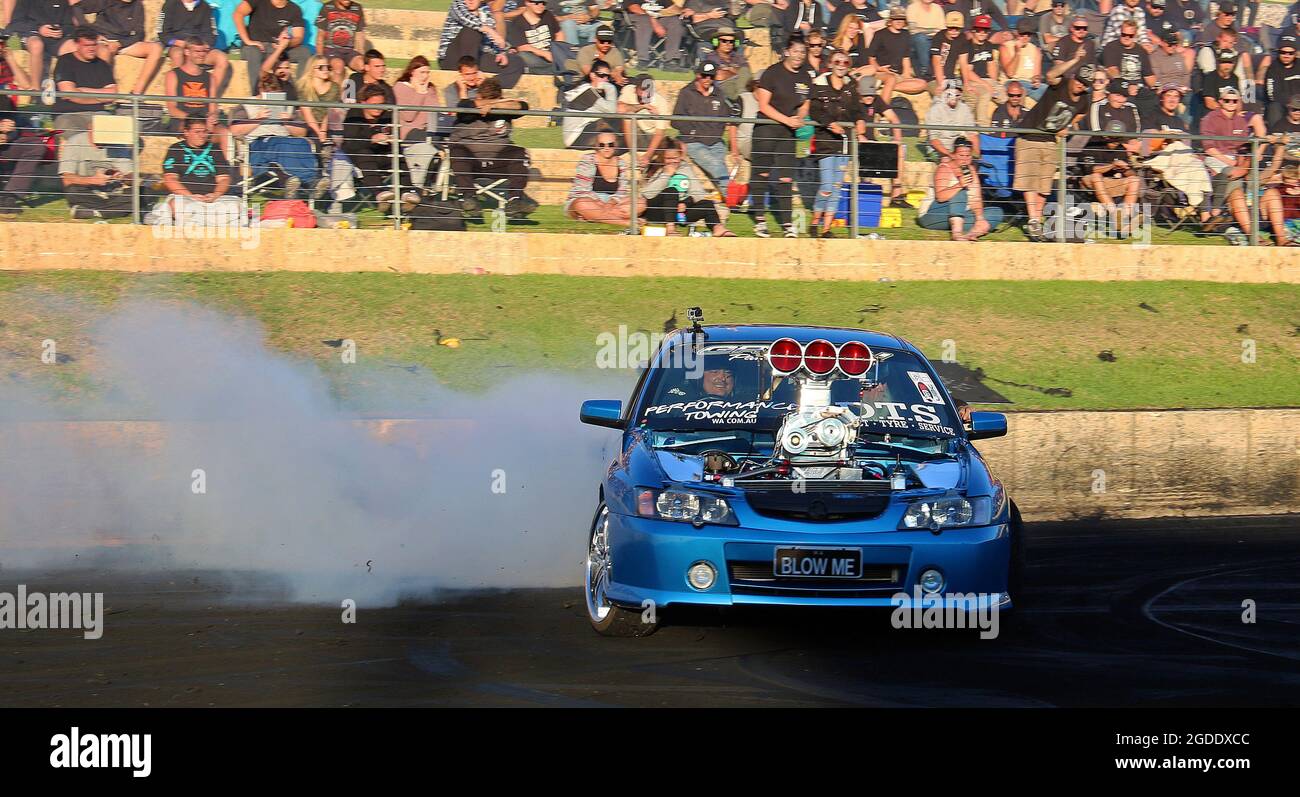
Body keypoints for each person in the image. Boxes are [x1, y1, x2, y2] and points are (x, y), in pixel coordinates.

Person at [1013, 56, 1095, 241]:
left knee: (1044, 185)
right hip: (1030, 135)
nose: (1080, 86)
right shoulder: (1061, 84)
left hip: (1050, 140)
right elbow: (1050, 74)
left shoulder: (1084, 100)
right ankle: (1034, 220)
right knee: (1030, 181)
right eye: (1079, 81)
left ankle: (1036, 220)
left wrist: (1068, 126)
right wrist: (1075, 59)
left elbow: (1082, 113)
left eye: (1085, 84)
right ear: (1074, 77)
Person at [448, 77, 537, 218]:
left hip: (497, 161)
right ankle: (469, 198)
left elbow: (524, 106)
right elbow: (465, 106)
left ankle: (515, 200)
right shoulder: (467, 106)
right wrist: (490, 103)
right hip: (471, 162)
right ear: (478, 95)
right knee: (458, 151)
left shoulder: (505, 108)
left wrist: (493, 105)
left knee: (520, 153)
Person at [751, 37, 812, 238]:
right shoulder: (772, 73)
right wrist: (787, 119)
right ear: (787, 51)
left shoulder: (805, 76)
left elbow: (804, 104)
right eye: (795, 51)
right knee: (762, 173)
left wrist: (800, 117)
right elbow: (763, 105)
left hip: (788, 132)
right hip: (767, 128)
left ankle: (787, 224)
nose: (799, 56)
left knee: (786, 177)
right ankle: (759, 220)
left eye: (803, 52)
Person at [1199, 84, 1266, 243]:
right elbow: (1209, 149)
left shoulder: (1240, 121)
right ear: (1220, 101)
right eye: (1227, 100)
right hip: (1216, 159)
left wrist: (1242, 163)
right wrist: (1232, 163)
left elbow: (1242, 148)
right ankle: (1249, 230)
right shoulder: (1209, 119)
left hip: (1235, 162)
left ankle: (1222, 215)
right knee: (1234, 176)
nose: (1231, 104)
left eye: (1234, 101)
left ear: (1238, 102)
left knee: (1240, 179)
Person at [809, 52, 867, 237]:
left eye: (845, 62)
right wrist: (829, 123)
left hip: (844, 144)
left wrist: (860, 120)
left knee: (836, 187)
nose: (841, 65)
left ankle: (826, 228)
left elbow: (857, 109)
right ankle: (815, 221)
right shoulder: (819, 84)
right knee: (826, 186)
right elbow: (815, 110)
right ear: (830, 64)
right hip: (826, 142)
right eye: (837, 61)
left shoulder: (851, 86)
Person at [340, 84, 419, 214]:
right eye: (374, 104)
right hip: (360, 155)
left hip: (383, 153)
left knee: (397, 155)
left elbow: (395, 136)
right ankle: (380, 193)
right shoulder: (353, 115)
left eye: (381, 104)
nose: (378, 108)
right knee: (365, 154)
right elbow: (351, 144)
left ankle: (407, 192)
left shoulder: (387, 115)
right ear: (363, 102)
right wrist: (372, 138)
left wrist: (391, 139)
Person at [1141, 82, 1212, 224]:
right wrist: (1164, 136)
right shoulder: (1152, 116)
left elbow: (1186, 148)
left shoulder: (1179, 122)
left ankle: (1204, 216)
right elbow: (1145, 146)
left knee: (1198, 166)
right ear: (1162, 98)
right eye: (1169, 95)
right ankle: (1200, 213)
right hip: (1159, 160)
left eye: (1176, 96)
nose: (1173, 99)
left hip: (1181, 161)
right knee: (1194, 168)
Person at [150, 117, 240, 226]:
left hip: (213, 200)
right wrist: (190, 196)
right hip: (187, 198)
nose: (202, 135)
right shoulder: (176, 149)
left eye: (205, 131)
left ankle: (200, 221)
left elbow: (224, 179)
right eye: (197, 132)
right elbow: (170, 179)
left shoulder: (215, 149)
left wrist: (216, 194)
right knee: (176, 206)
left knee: (236, 207)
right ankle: (206, 221)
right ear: (186, 132)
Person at [640, 138, 734, 235]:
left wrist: (686, 203)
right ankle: (670, 228)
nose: (672, 161)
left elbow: (699, 193)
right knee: (672, 191)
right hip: (658, 212)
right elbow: (647, 194)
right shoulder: (658, 169)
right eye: (668, 158)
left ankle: (718, 228)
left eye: (675, 158)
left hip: (679, 214)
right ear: (663, 157)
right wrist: (666, 175)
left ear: (680, 156)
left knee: (707, 204)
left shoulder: (686, 169)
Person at [673, 61, 741, 194]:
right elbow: (675, 120)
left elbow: (732, 119)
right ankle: (732, 196)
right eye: (704, 75)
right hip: (693, 142)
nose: (708, 79)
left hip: (716, 142)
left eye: (711, 76)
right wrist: (690, 132)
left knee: (717, 165)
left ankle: (725, 196)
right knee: (716, 165)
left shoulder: (720, 95)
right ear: (698, 75)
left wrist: (734, 148)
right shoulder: (686, 93)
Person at [917, 136, 1002, 238]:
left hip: (959, 214)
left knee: (996, 212)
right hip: (933, 214)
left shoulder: (971, 170)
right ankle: (957, 234)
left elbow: (976, 199)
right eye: (961, 155)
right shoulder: (944, 168)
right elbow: (940, 197)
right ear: (954, 155)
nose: (964, 159)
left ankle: (973, 232)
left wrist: (980, 218)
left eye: (968, 156)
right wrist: (959, 185)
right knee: (961, 193)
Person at [77, 0, 163, 96]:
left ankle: (136, 94)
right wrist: (90, 33)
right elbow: (77, 7)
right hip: (103, 40)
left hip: (123, 42)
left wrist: (120, 43)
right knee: (104, 52)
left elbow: (139, 33)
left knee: (156, 48)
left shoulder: (137, 4)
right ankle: (103, 95)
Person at [163, 37, 229, 155]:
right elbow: (172, 109)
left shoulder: (210, 78)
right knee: (196, 130)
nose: (201, 55)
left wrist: (212, 117)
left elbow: (213, 107)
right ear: (187, 52)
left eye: (203, 51)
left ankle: (225, 170)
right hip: (183, 121)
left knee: (224, 133)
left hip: (204, 122)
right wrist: (194, 120)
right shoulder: (173, 75)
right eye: (197, 51)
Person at [437, 0, 525, 88]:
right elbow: (467, 19)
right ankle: (469, 73)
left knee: (515, 61)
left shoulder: (486, 9)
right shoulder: (457, 4)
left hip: (476, 57)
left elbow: (490, 39)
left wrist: (501, 52)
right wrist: (490, 31)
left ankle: (489, 87)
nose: (470, 0)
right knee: (472, 30)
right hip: (453, 58)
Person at [51, 28, 118, 135]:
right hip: (69, 114)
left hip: (99, 114)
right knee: (80, 138)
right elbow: (69, 94)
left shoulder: (102, 65)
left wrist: (82, 90)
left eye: (94, 45)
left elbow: (113, 94)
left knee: (115, 134)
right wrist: (101, 97)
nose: (91, 49)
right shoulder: (65, 61)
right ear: (77, 44)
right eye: (87, 45)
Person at [565, 129, 639, 225]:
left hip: (611, 203)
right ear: (596, 146)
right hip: (588, 200)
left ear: (616, 145)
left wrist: (611, 202)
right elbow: (582, 190)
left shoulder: (621, 163)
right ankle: (625, 222)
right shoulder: (587, 160)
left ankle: (594, 216)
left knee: (640, 203)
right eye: (602, 145)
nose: (606, 148)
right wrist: (599, 203)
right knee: (581, 204)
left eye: (610, 145)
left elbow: (622, 191)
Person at [1079, 119, 1141, 227]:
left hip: (1111, 182)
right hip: (1091, 181)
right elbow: (1090, 170)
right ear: (1106, 136)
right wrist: (1112, 165)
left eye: (1118, 139)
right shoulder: (1093, 144)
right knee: (1096, 176)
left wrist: (1125, 169)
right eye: (1113, 138)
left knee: (1135, 180)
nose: (1115, 142)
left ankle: (1125, 217)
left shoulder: (1120, 148)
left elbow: (1132, 174)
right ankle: (1114, 215)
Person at [234, 0, 311, 86]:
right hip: (256, 46)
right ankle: (255, 94)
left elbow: (298, 37)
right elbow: (238, 14)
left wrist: (286, 43)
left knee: (304, 52)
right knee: (254, 53)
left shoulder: (294, 9)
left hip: (278, 48)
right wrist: (247, 41)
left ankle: (300, 93)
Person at [158, 0, 229, 91]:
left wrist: (203, 46)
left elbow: (211, 34)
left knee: (221, 58)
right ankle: (177, 96)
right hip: (178, 46)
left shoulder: (205, 7)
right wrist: (179, 43)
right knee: (178, 54)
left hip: (199, 47)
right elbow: (162, 33)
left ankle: (209, 98)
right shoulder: (170, 4)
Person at [7, 0, 78, 92]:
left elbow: (69, 25)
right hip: (32, 34)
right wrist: (38, 29)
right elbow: (16, 23)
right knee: (37, 45)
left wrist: (62, 31)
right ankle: (35, 90)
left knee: (74, 47)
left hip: (55, 38)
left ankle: (67, 89)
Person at [393, 56, 441, 189]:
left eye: (427, 72)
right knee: (431, 145)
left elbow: (436, 111)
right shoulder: (400, 87)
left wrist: (426, 91)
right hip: (409, 134)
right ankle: (419, 188)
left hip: (429, 131)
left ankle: (431, 186)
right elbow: (408, 115)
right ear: (412, 72)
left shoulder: (430, 89)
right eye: (422, 72)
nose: (425, 76)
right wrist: (419, 93)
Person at [868, 7, 929, 103]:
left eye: (901, 19)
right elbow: (871, 58)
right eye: (896, 19)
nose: (899, 21)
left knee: (922, 84)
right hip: (883, 72)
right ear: (890, 20)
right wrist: (879, 68)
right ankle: (883, 110)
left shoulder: (906, 35)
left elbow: (906, 58)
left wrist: (906, 74)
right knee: (890, 78)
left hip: (898, 75)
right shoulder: (879, 34)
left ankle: (889, 87)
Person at [562, 60, 619, 148]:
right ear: (592, 75)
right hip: (575, 138)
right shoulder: (587, 92)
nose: (606, 80)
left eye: (608, 77)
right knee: (613, 122)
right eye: (602, 75)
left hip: (585, 132)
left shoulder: (595, 93)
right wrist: (611, 88)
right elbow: (612, 111)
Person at [960, 14, 1004, 125]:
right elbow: (967, 71)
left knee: (1005, 97)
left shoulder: (988, 45)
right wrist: (986, 85)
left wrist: (994, 84)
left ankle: (1007, 126)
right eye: (979, 30)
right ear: (973, 30)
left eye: (985, 30)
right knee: (985, 94)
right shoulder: (967, 46)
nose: (982, 33)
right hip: (974, 82)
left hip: (987, 80)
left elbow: (991, 65)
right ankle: (982, 127)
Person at [508, 0, 571, 74]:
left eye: (543, 3)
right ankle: (554, 70)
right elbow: (522, 47)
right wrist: (545, 54)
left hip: (553, 54)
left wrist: (557, 51)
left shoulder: (548, 15)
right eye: (537, 3)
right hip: (535, 57)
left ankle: (549, 70)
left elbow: (559, 33)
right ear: (527, 2)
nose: (541, 5)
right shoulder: (517, 22)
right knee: (523, 55)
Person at [620, 73, 671, 163]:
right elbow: (620, 109)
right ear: (635, 89)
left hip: (651, 136)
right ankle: (632, 152)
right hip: (634, 134)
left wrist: (648, 155)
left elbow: (659, 133)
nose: (645, 94)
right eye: (642, 90)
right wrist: (644, 106)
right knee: (628, 115)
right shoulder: (628, 90)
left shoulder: (661, 102)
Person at [924, 79, 978, 160]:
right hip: (939, 150)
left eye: (957, 92)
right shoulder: (935, 110)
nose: (954, 96)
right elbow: (934, 140)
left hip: (960, 148)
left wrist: (976, 156)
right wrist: (950, 155)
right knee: (947, 162)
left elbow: (972, 134)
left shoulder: (965, 108)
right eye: (950, 93)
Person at [624, 0, 686, 70]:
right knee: (644, 20)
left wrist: (683, 10)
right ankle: (642, 60)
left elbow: (672, 7)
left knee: (674, 21)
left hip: (659, 18)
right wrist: (654, 23)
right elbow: (633, 7)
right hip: (637, 17)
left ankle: (672, 61)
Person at [316, 0, 369, 81]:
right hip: (330, 50)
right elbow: (320, 35)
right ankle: (338, 92)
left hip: (350, 51)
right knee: (338, 66)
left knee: (362, 65)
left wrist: (362, 55)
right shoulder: (327, 7)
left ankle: (361, 92)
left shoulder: (357, 8)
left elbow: (359, 35)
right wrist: (320, 58)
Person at [297, 55, 341, 145]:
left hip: (326, 125)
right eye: (321, 67)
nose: (326, 70)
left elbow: (328, 113)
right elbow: (307, 115)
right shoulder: (304, 87)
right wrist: (319, 134)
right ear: (312, 70)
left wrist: (323, 132)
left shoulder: (334, 87)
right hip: (306, 124)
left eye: (328, 67)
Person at [701, 26, 751, 97]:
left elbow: (747, 72)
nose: (728, 44)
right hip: (723, 86)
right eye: (724, 41)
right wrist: (737, 72)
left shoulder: (738, 57)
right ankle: (742, 98)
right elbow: (719, 76)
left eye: (731, 42)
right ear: (717, 42)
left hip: (740, 86)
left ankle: (742, 98)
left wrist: (729, 71)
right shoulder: (711, 57)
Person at [1002, 15, 1045, 99]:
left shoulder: (1035, 50)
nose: (1025, 37)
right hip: (1011, 82)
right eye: (1022, 34)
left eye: (1028, 34)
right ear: (1016, 33)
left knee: (1049, 90)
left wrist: (1036, 80)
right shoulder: (1006, 47)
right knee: (1042, 94)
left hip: (1029, 83)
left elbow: (1036, 75)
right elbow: (1010, 74)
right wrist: (1017, 52)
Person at [1263, 35, 1300, 129]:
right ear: (1278, 52)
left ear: (1295, 53)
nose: (1286, 55)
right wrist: (1292, 103)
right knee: (1273, 106)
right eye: (1283, 52)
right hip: (1284, 105)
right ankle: (1275, 137)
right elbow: (1271, 94)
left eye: (1290, 53)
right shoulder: (1273, 69)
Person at [1261, 160, 1300, 246]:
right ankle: (1284, 239)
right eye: (1287, 178)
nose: (1291, 180)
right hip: (1283, 221)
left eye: (1293, 177)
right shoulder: (1279, 188)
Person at [906, 0, 946, 80]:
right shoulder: (912, 7)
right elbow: (913, 29)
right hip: (916, 38)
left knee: (943, 40)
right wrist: (932, 31)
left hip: (935, 37)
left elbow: (942, 29)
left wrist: (927, 31)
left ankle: (943, 71)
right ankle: (926, 71)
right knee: (922, 38)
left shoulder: (937, 8)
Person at [929, 12, 968, 89]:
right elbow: (936, 62)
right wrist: (941, 84)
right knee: (945, 96)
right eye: (951, 28)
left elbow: (963, 62)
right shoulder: (938, 37)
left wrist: (967, 84)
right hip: (935, 77)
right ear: (946, 26)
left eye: (957, 28)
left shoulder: (963, 38)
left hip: (952, 77)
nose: (954, 30)